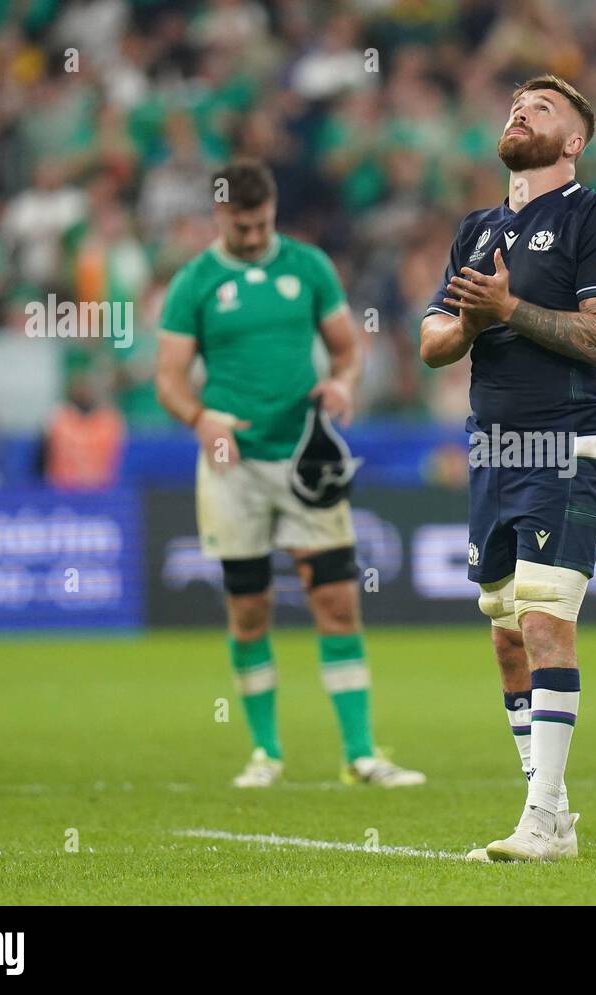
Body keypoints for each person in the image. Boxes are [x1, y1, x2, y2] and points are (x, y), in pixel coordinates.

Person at [420, 74, 596, 861]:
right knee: (508, 635)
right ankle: (548, 805)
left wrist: (508, 311)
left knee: (548, 622)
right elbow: (431, 342)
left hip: (565, 445)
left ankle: (543, 817)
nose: (521, 110)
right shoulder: (477, 231)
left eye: (543, 106)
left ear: (575, 140)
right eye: (516, 102)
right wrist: (474, 318)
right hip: (493, 452)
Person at [155, 158, 424, 789]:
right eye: (242, 227)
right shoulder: (193, 282)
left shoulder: (307, 266)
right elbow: (168, 380)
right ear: (219, 215)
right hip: (233, 467)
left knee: (335, 602)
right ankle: (265, 754)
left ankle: (360, 754)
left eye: (262, 225)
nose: (253, 237)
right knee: (248, 611)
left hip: (307, 460)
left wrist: (343, 383)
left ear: (273, 212)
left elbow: (346, 349)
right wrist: (201, 420)